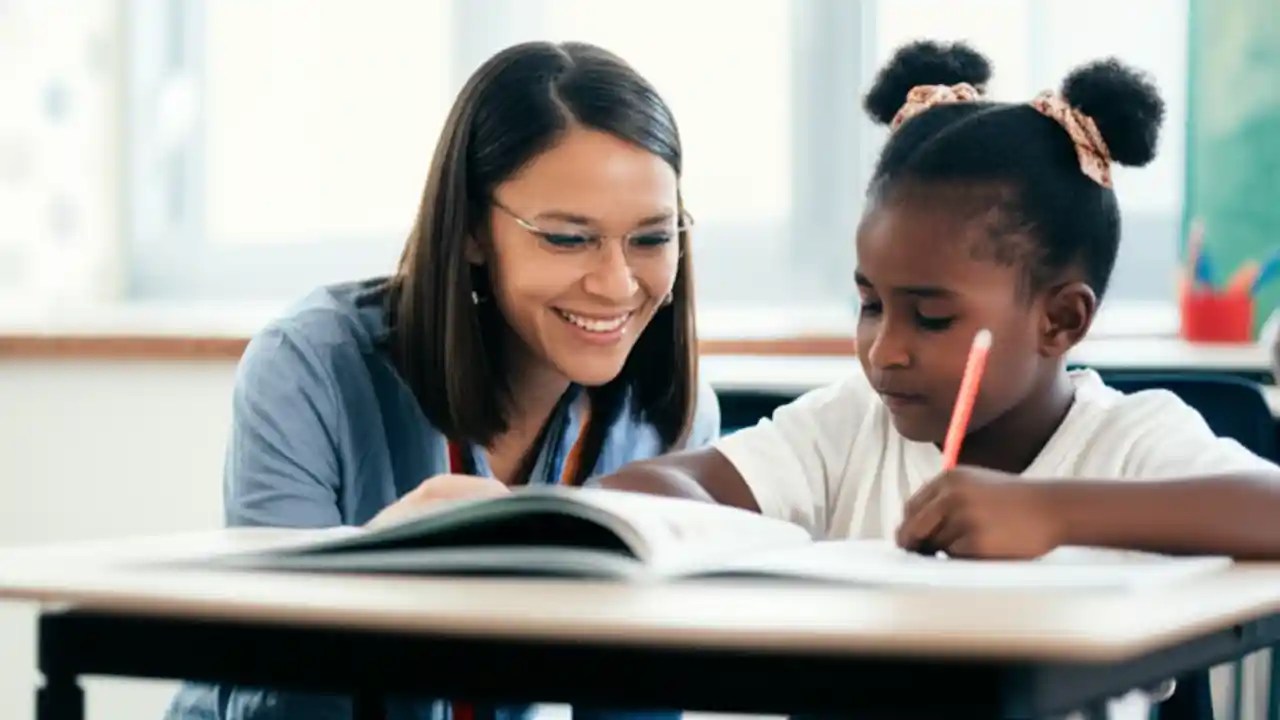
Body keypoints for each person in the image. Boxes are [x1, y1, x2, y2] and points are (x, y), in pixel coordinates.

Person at [166, 40, 717, 720]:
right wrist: (376, 570)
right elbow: (270, 690)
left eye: (652, 238)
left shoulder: (675, 416)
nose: (616, 284)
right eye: (567, 239)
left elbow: (638, 702)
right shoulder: (310, 365)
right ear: (472, 231)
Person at [596, 40, 1279, 556]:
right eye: (870, 305)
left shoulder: (1127, 443)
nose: (885, 350)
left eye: (932, 317)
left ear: (1061, 319)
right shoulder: (846, 429)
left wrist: (1050, 514)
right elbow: (639, 495)